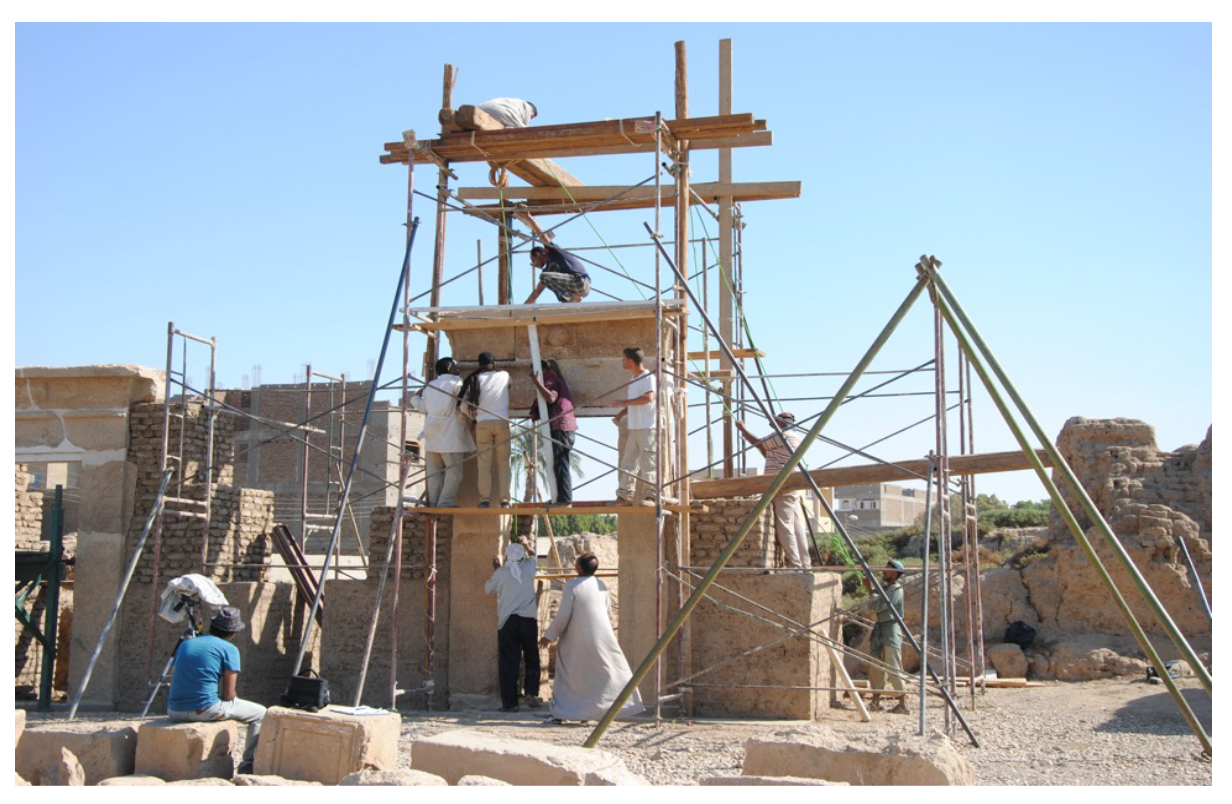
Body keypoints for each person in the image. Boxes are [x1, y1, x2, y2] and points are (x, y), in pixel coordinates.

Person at [538, 553, 644, 723]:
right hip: (602, 637)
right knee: (594, 677)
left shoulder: (573, 585)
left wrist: (549, 636)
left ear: (578, 568)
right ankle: (588, 715)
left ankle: (561, 713)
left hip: (576, 640)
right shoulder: (601, 585)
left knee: (569, 676)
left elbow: (563, 615)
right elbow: (607, 610)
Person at [167, 607, 266, 773]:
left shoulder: (187, 644)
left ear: (212, 626)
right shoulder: (229, 649)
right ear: (233, 632)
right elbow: (229, 694)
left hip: (174, 710)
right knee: (260, 713)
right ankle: (247, 765)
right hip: (204, 710)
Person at [735, 413, 812, 569]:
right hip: (792, 484)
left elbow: (758, 443)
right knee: (797, 526)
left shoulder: (783, 435)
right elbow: (766, 453)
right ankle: (805, 564)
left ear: (780, 422)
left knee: (785, 525)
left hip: (781, 485)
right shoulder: (794, 437)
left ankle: (796, 565)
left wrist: (742, 429)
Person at [410, 357, 474, 508]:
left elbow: (422, 407)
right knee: (454, 473)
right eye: (455, 366)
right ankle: (445, 502)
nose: (457, 368)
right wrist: (474, 417)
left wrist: (414, 397)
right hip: (450, 433)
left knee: (434, 474)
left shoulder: (430, 386)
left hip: (432, 433)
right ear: (449, 367)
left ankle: (433, 502)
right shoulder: (457, 383)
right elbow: (464, 405)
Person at [484, 543, 542, 712]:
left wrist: (497, 569)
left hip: (508, 622)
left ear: (507, 556)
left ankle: (510, 703)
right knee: (532, 657)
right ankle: (531, 691)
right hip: (528, 620)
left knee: (509, 662)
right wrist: (527, 544)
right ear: (522, 555)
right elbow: (534, 555)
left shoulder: (501, 573)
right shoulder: (530, 567)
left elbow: (487, 589)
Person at [458, 352, 512, 508]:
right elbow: (509, 386)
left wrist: (475, 416)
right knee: (504, 463)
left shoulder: (474, 379)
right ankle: (505, 500)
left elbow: (462, 406)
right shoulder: (504, 375)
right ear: (493, 363)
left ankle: (484, 500)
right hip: (502, 422)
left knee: (483, 464)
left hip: (483, 424)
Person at [862, 559, 909, 714]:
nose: (884, 571)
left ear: (895, 574)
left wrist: (869, 588)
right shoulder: (884, 588)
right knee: (876, 665)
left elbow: (878, 605)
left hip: (890, 630)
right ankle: (875, 700)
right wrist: (872, 590)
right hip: (880, 629)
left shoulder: (896, 590)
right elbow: (875, 601)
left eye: (888, 569)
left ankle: (903, 702)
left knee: (893, 665)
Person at [612, 347, 656, 505]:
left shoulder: (647, 377)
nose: (622, 361)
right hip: (635, 428)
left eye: (624, 358)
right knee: (628, 463)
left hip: (647, 427)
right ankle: (624, 495)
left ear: (630, 360)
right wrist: (623, 413)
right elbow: (636, 403)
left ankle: (651, 496)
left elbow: (648, 398)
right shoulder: (634, 379)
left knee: (648, 464)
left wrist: (624, 403)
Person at [529, 359, 577, 504]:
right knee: (559, 463)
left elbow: (550, 398)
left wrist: (537, 383)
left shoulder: (551, 381)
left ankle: (564, 499)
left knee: (560, 464)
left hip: (560, 427)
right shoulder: (557, 379)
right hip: (565, 427)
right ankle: (560, 497)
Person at [524, 243, 591, 304]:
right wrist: (522, 309)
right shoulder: (548, 271)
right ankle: (571, 299)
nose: (535, 265)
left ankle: (572, 297)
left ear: (537, 254)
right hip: (583, 288)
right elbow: (537, 292)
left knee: (544, 276)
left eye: (533, 260)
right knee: (545, 278)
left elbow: (542, 235)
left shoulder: (553, 253)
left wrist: (535, 229)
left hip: (579, 280)